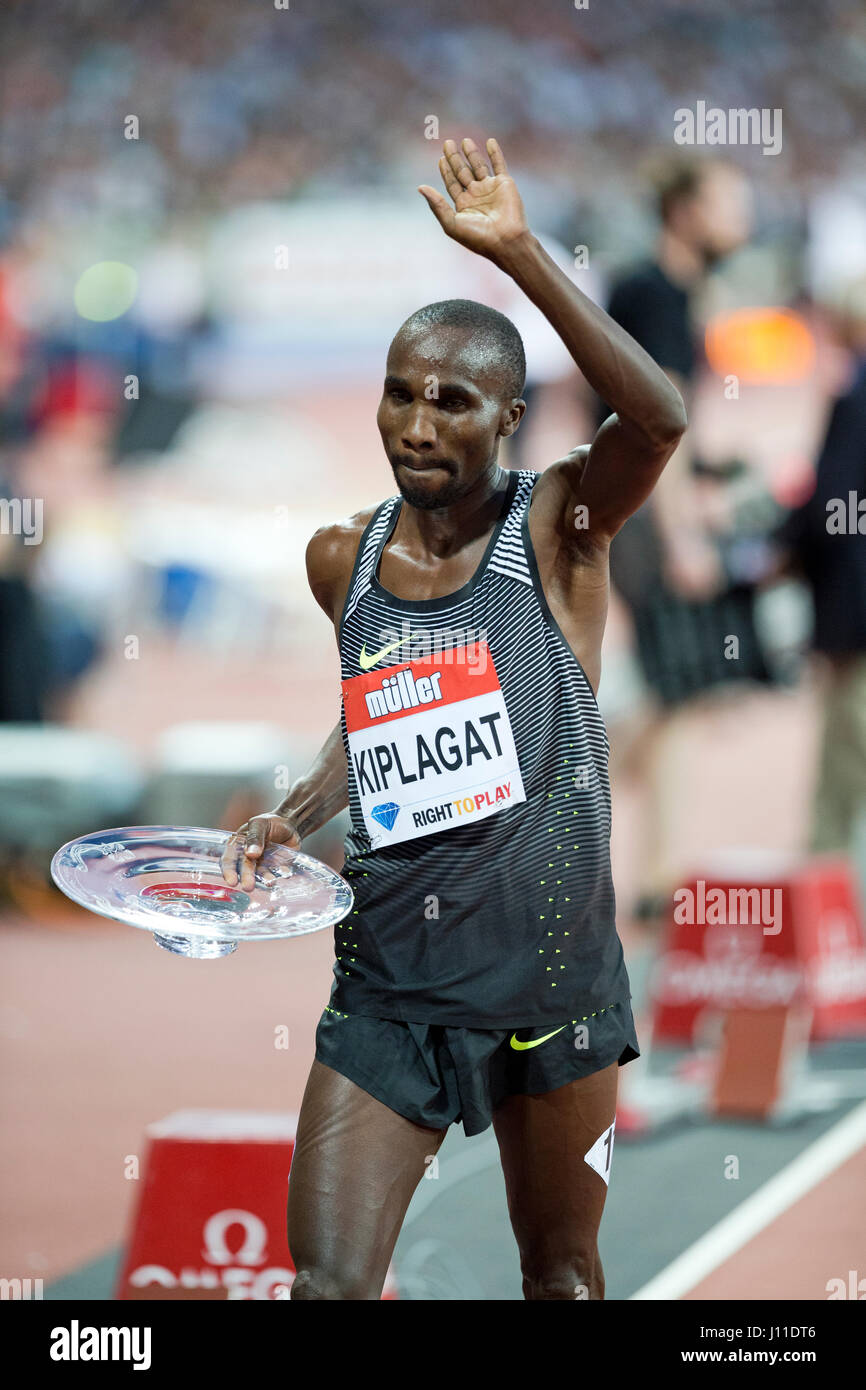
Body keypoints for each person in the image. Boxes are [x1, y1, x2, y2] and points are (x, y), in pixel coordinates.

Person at [222, 135, 686, 1301]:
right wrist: (295, 811)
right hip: (390, 987)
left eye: (452, 400)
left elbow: (660, 418)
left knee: (561, 1276)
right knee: (326, 1283)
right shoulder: (345, 556)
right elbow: (368, 728)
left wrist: (520, 254)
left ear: (509, 417)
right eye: (399, 393)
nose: (417, 424)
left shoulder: (559, 528)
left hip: (551, 982)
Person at [599, 156, 769, 919]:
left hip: (644, 502)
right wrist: (685, 536)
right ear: (685, 212)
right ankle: (559, 780)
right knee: (672, 691)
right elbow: (653, 423)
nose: (746, 219)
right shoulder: (655, 292)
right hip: (642, 513)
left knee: (674, 696)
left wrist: (709, 478)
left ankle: (656, 875)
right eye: (731, 204)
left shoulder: (670, 290)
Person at [778, 277, 866, 858]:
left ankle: (825, 875)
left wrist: (784, 548)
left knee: (847, 746)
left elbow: (835, 505)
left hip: (856, 612)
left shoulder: (854, 399)